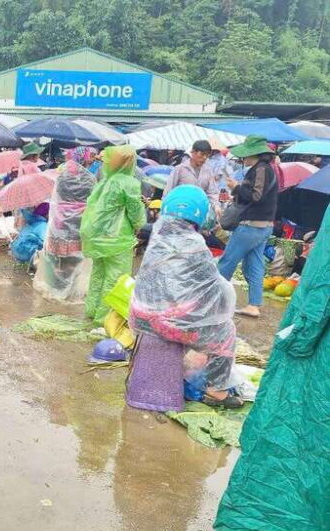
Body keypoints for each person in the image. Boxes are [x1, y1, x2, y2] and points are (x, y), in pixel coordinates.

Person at [214, 204, 330, 531]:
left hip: (311, 349)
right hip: (317, 352)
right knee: (316, 460)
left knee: (299, 451)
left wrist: (297, 337)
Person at [130, 185, 240, 407]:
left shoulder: (157, 241)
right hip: (172, 324)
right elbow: (214, 290)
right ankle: (216, 391)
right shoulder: (195, 246)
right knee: (226, 332)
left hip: (140, 317)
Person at [80, 145, 147, 322]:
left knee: (98, 274)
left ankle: (92, 309)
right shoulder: (129, 183)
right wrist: (140, 224)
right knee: (115, 278)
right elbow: (136, 212)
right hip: (117, 238)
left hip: (97, 236)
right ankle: (105, 318)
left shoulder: (104, 181)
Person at [217, 135, 279, 318]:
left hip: (251, 226)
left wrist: (236, 187)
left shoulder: (261, 169)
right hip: (264, 226)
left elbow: (256, 196)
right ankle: (253, 305)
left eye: (246, 155)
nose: (244, 159)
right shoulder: (266, 169)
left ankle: (212, 300)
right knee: (255, 266)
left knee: (227, 262)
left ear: (256, 154)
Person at [33, 159, 95, 302]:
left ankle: (56, 289)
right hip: (78, 228)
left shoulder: (62, 180)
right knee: (74, 261)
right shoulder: (89, 181)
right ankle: (70, 291)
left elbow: (56, 201)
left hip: (59, 228)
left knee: (57, 261)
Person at [163, 140, 219, 209]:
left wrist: (216, 206)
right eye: (202, 154)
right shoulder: (180, 169)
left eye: (207, 155)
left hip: (199, 209)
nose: (204, 158)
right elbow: (168, 191)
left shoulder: (208, 171)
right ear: (193, 152)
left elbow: (212, 192)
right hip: (180, 208)